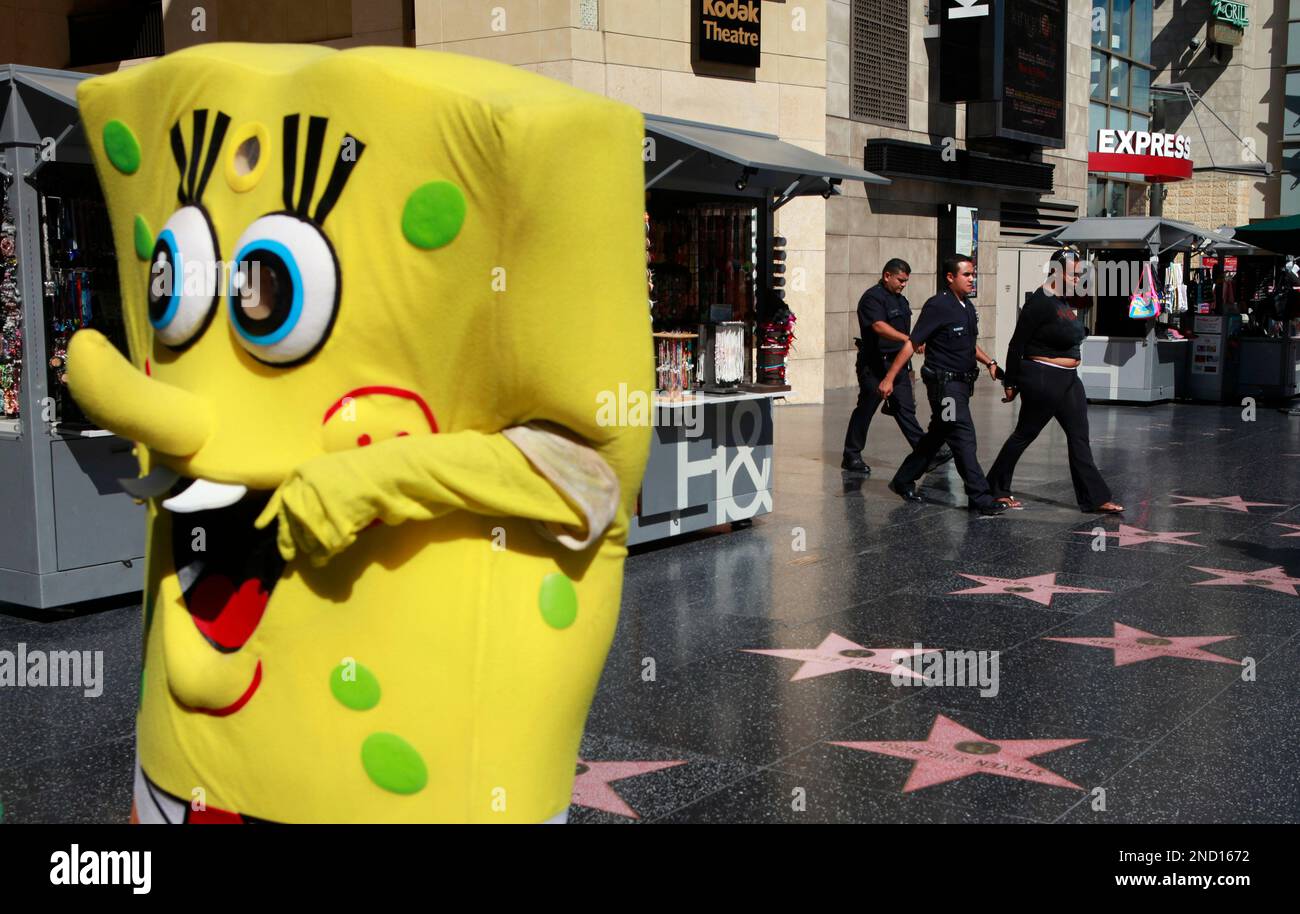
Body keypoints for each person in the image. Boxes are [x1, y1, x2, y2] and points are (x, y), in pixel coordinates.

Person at [987, 251, 1123, 514]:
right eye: (1073, 274)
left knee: (1079, 437)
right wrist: (1011, 382)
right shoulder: (1040, 302)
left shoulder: (1061, 301)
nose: (1077, 279)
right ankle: (994, 489)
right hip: (1043, 378)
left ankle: (1095, 498)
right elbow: (1017, 343)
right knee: (1025, 434)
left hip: (1069, 380)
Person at [878, 255, 1007, 516]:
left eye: (973, 274)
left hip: (962, 385)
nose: (972, 279)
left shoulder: (967, 307)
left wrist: (990, 362)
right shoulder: (938, 305)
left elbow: (968, 346)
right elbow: (912, 343)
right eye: (967, 275)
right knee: (962, 436)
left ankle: (903, 479)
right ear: (951, 277)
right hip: (945, 388)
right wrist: (890, 377)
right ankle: (980, 497)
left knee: (937, 435)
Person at [841, 259, 952, 474]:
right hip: (874, 364)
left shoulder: (901, 302)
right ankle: (851, 454)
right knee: (866, 408)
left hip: (897, 363)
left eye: (906, 281)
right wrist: (907, 339)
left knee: (905, 410)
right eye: (900, 280)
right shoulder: (872, 298)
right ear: (887, 276)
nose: (903, 284)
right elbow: (878, 326)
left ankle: (924, 453)